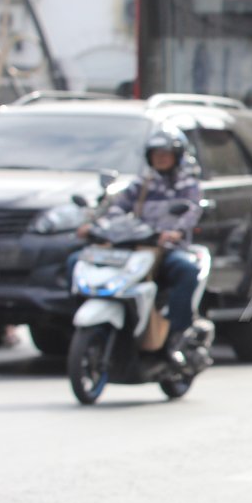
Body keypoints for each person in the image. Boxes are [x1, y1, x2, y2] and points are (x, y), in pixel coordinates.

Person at [72, 129, 203, 367]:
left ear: (177, 156)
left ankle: (176, 333)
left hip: (166, 248)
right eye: (156, 154)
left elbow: (192, 211)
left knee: (186, 271)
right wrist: (98, 226)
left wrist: (174, 232)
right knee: (75, 261)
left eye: (166, 154)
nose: (161, 158)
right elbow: (117, 208)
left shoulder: (187, 184)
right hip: (136, 247)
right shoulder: (141, 184)